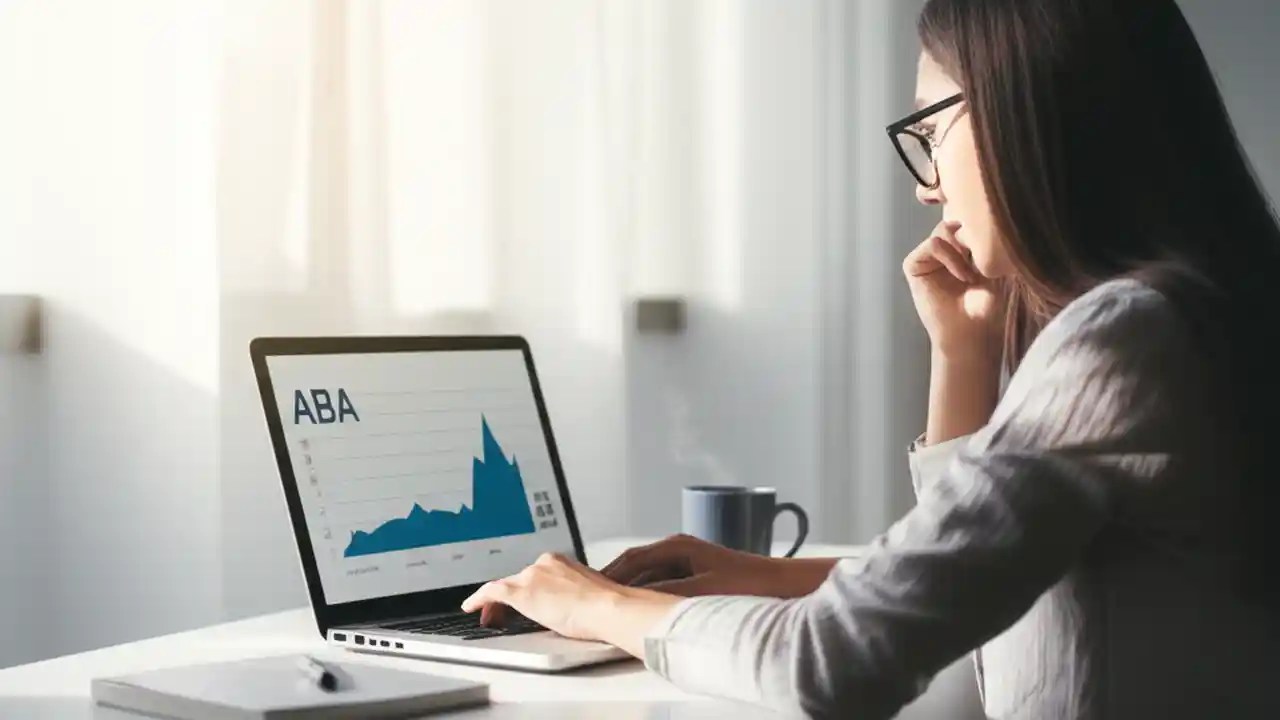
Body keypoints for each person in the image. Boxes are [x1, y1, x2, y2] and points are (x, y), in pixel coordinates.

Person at [461, 0, 1280, 717]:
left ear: (1025, 110)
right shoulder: (1207, 311)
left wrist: (596, 607)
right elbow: (963, 583)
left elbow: (832, 664)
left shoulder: (1123, 339)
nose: (927, 187)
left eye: (930, 128)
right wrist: (962, 356)